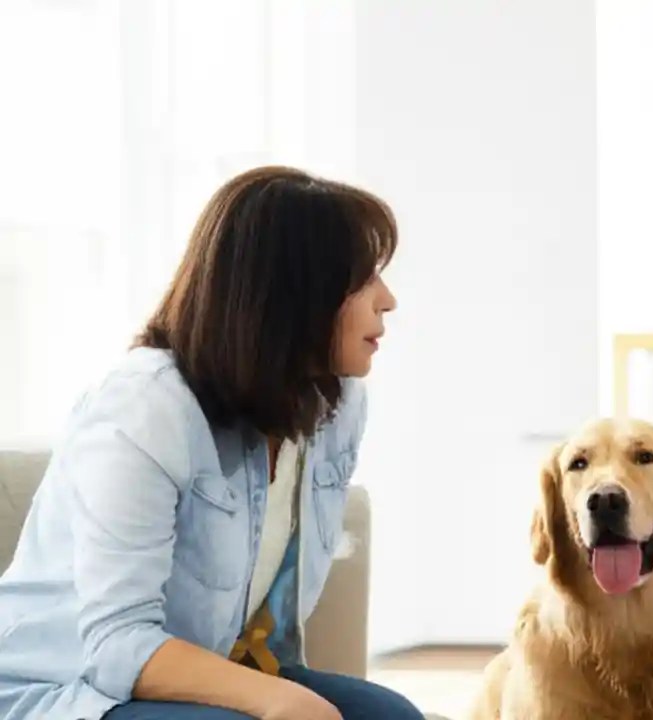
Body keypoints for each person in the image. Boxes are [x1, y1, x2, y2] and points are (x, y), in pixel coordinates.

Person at [0, 166, 426, 719]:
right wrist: (280, 701)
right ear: (294, 292)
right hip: (68, 687)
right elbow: (116, 645)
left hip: (221, 665)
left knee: (394, 718)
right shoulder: (145, 405)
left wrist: (280, 690)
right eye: (364, 277)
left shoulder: (339, 404)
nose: (387, 300)